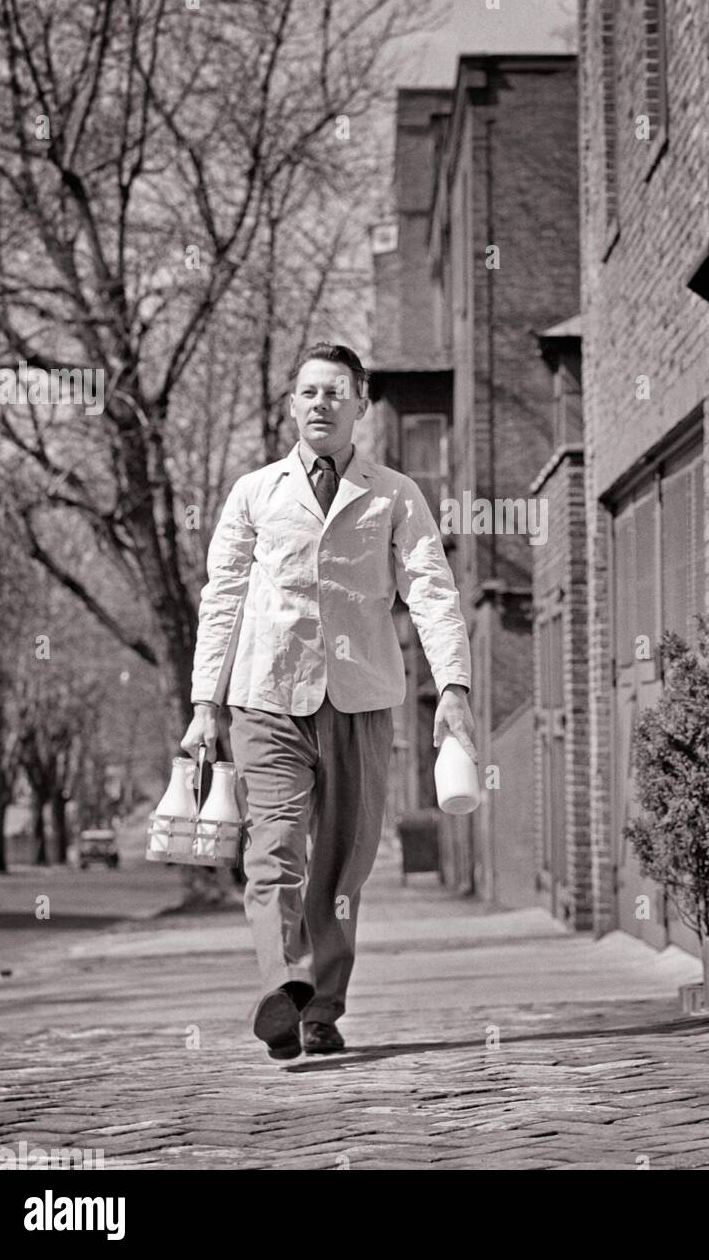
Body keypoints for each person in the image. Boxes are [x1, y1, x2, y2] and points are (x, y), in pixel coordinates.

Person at [181, 343, 476, 1060]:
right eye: (308, 391)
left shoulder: (394, 493)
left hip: (361, 701)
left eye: (335, 392)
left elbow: (430, 591)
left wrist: (455, 688)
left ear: (359, 404)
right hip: (267, 699)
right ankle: (286, 991)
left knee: (343, 864)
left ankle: (323, 1010)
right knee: (273, 853)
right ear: (291, 405)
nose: (320, 403)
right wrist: (203, 704)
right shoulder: (254, 492)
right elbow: (220, 600)